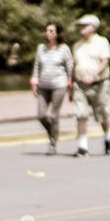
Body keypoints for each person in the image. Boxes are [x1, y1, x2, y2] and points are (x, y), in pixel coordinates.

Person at [72, 14, 110, 156]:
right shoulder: (77, 45)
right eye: (81, 26)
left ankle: (108, 135)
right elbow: (74, 65)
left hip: (99, 83)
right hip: (80, 84)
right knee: (81, 113)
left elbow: (104, 61)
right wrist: (70, 85)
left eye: (85, 25)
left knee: (102, 112)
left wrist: (94, 74)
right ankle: (82, 145)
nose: (82, 28)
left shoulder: (102, 42)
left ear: (94, 27)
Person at [31, 22, 74, 155]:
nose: (48, 33)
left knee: (54, 115)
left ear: (57, 34)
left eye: (51, 31)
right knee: (42, 115)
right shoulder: (41, 48)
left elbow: (70, 67)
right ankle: (53, 132)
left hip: (59, 85)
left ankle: (53, 142)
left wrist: (70, 85)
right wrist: (34, 82)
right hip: (43, 85)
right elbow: (37, 66)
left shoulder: (64, 48)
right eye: (47, 31)